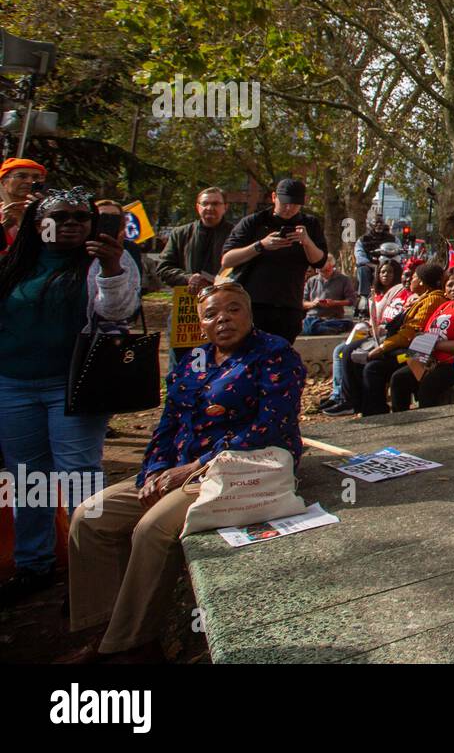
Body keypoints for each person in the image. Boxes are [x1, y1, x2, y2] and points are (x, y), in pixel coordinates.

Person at [65, 282, 306, 662]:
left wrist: (193, 467)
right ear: (201, 323)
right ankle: (106, 626)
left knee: (152, 529)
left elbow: (271, 425)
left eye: (233, 309)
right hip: (178, 466)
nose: (223, 319)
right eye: (211, 314)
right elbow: (168, 424)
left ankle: (131, 644)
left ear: (249, 313)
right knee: (89, 516)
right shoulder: (193, 361)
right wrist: (154, 471)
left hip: (238, 467)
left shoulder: (275, 355)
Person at [0, 187, 141, 607]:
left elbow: (118, 313)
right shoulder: (14, 263)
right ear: (37, 224)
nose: (72, 223)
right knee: (27, 478)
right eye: (60, 217)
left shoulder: (106, 260)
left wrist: (112, 265)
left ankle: (91, 574)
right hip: (13, 385)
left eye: (81, 216)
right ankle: (35, 565)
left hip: (75, 384)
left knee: (78, 474)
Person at [326, 260, 446, 416]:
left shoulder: (432, 299)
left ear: (422, 281)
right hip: (406, 344)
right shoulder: (421, 298)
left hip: (416, 350)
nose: (409, 280)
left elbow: (408, 334)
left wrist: (382, 348)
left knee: (373, 366)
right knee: (351, 353)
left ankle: (371, 410)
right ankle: (360, 405)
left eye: (414, 276)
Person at [220, 178, 327, 344]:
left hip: (289, 304)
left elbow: (319, 262)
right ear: (273, 197)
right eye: (284, 203)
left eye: (294, 204)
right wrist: (260, 245)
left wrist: (307, 242)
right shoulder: (254, 222)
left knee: (281, 357)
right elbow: (227, 260)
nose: (289, 208)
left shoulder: (310, 224)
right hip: (253, 303)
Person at [389, 266, 454, 411]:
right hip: (434, 359)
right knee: (399, 378)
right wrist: (420, 356)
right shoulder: (445, 306)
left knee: (428, 385)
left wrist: (435, 346)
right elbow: (427, 333)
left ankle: (428, 424)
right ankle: (400, 420)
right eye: (449, 284)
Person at [156, 187, 233, 366]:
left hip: (223, 310)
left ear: (225, 207)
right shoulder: (181, 234)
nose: (210, 208)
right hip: (187, 311)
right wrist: (187, 278)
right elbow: (163, 268)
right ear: (197, 207)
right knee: (182, 366)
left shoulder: (236, 234)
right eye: (205, 203)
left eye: (215, 203)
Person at [319, 259, 408, 412]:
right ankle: (338, 395)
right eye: (382, 272)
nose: (385, 275)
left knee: (351, 354)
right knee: (340, 350)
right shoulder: (376, 293)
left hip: (388, 340)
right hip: (372, 334)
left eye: (390, 272)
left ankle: (351, 401)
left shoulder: (403, 294)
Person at [301, 254, 358, 335]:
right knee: (309, 324)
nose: (324, 273)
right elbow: (302, 302)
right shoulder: (311, 281)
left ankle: (321, 328)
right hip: (313, 317)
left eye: (327, 270)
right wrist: (313, 303)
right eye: (321, 271)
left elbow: (352, 300)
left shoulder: (344, 280)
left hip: (334, 318)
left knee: (348, 323)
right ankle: (323, 329)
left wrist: (334, 303)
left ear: (332, 266)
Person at [0, 157, 46, 255]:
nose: (30, 181)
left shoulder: (50, 215)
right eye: (21, 176)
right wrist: (5, 226)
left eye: (36, 177)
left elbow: (52, 249)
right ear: (4, 182)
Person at [355, 218, 396, 304]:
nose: (379, 225)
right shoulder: (362, 240)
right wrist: (374, 266)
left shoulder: (393, 238)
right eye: (376, 223)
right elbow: (360, 257)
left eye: (381, 223)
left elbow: (399, 250)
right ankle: (364, 298)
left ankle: (395, 294)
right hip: (370, 265)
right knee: (362, 270)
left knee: (397, 269)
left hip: (388, 264)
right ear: (371, 225)